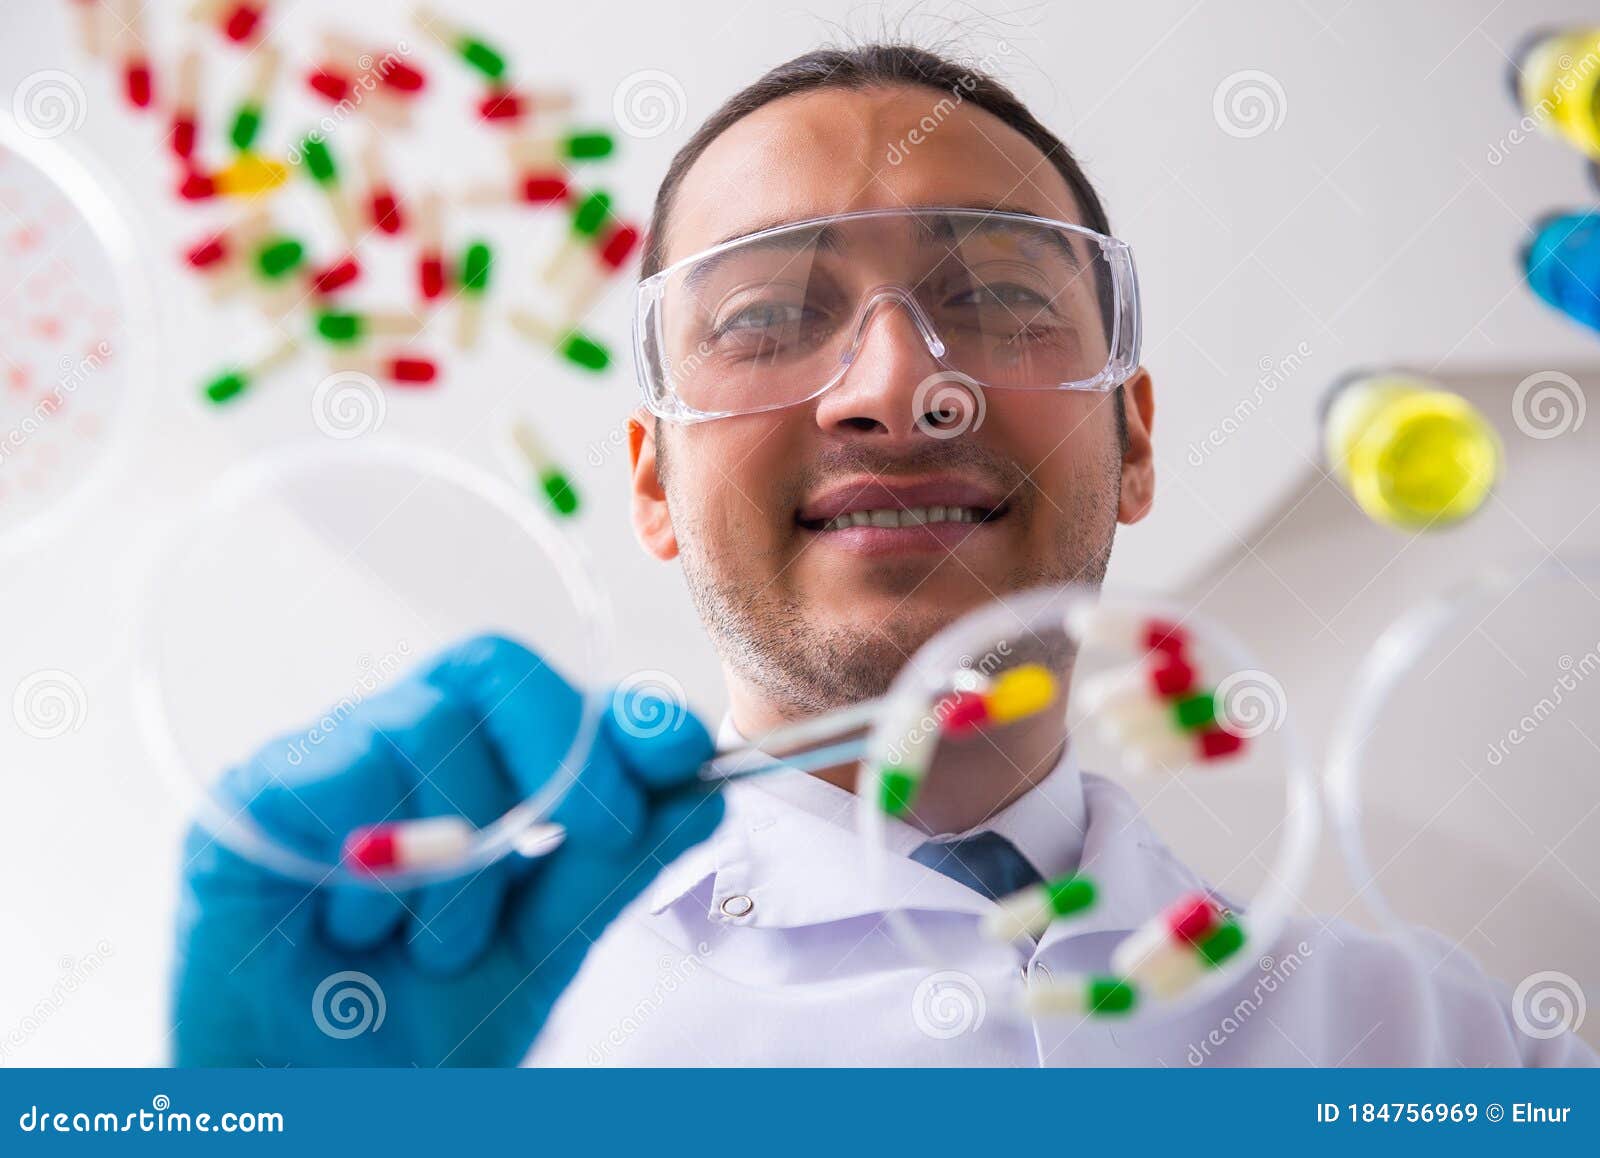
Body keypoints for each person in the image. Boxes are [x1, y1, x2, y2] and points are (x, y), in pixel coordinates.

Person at [173, 42, 1596, 1067]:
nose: (896, 384)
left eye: (991, 295)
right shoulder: (498, 1044)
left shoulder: (1442, 1050)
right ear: (654, 480)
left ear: (1136, 439)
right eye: (767, 314)